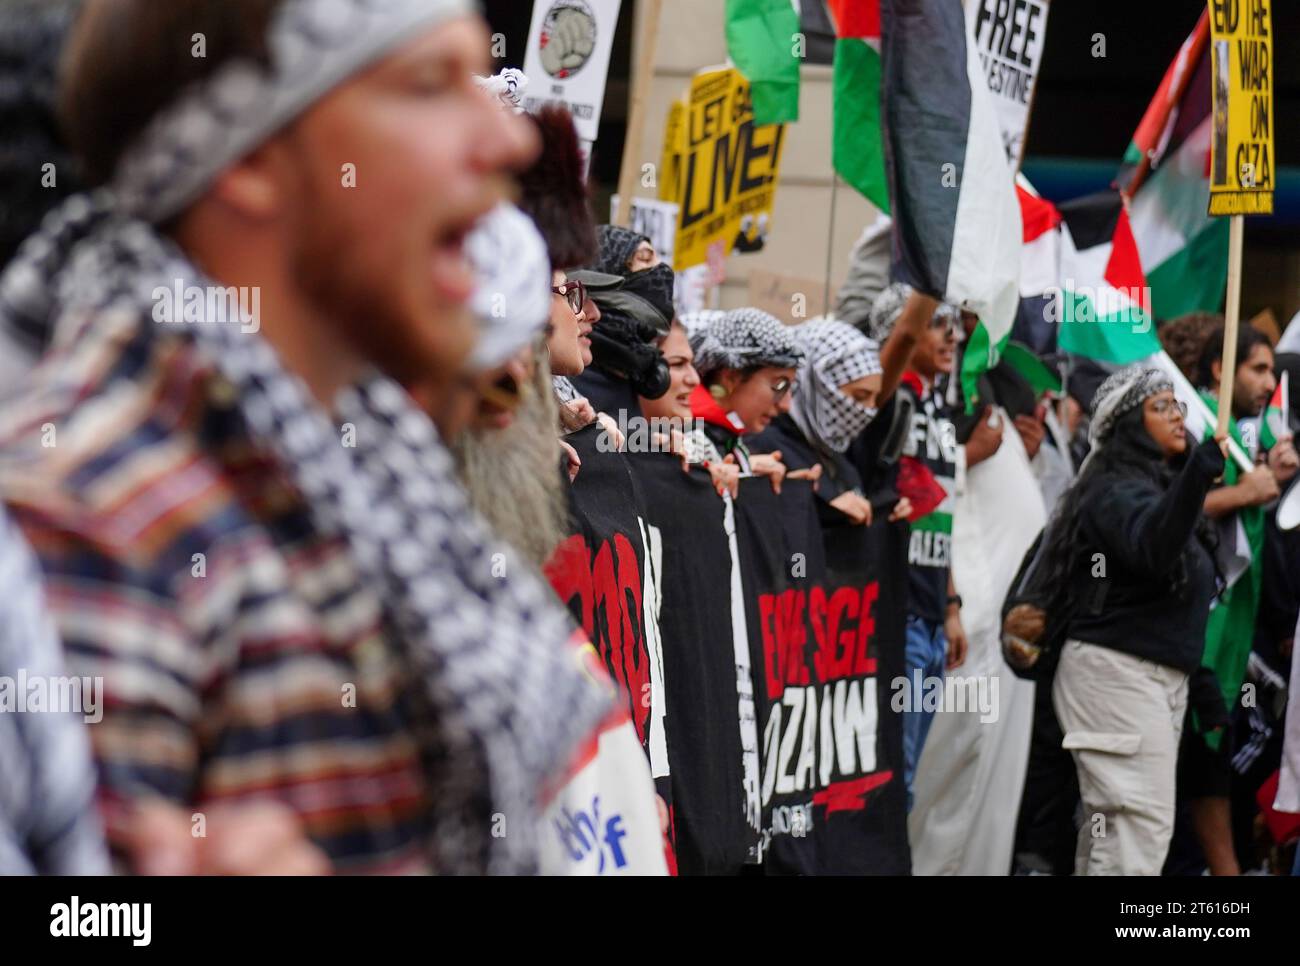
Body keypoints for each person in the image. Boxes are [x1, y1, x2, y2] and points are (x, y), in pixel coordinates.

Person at [0, 0, 611, 874]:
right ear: (250, 159)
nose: (510, 144)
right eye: (430, 84)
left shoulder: (373, 474)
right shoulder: (101, 532)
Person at [1035, 366, 1226, 875]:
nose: (1176, 415)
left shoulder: (1156, 488)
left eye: (1176, 404)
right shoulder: (1110, 489)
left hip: (1151, 679)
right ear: (1127, 425)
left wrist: (1199, 680)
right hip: (1115, 675)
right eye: (1159, 406)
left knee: (1117, 832)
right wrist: (1195, 479)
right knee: (1134, 830)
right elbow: (1151, 549)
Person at [867, 287, 980, 807]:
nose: (952, 336)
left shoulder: (940, 407)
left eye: (954, 326)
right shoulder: (888, 397)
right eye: (939, 324)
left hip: (933, 614)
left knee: (909, 775)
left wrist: (951, 606)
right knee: (896, 777)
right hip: (896, 611)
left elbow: (940, 513)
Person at [1190, 323, 1296, 874]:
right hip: (1198, 636)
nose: (1267, 382)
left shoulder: (1247, 433)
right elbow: (1172, 509)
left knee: (1209, 768)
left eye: (1271, 371)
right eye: (1257, 369)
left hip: (1229, 640)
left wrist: (1267, 479)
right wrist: (1250, 488)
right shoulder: (1196, 421)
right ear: (1219, 368)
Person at [750, 317, 911, 525]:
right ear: (818, 387)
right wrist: (826, 511)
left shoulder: (838, 452)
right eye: (860, 397)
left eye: (874, 398)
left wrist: (887, 509)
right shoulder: (765, 446)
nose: (868, 411)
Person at [686, 308, 805, 490]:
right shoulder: (685, 440)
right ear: (731, 378)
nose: (786, 405)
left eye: (791, 388)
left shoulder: (721, 439)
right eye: (779, 386)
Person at [637, 319, 740, 498]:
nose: (694, 379)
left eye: (691, 365)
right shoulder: (606, 441)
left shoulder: (696, 443)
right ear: (637, 368)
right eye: (678, 364)